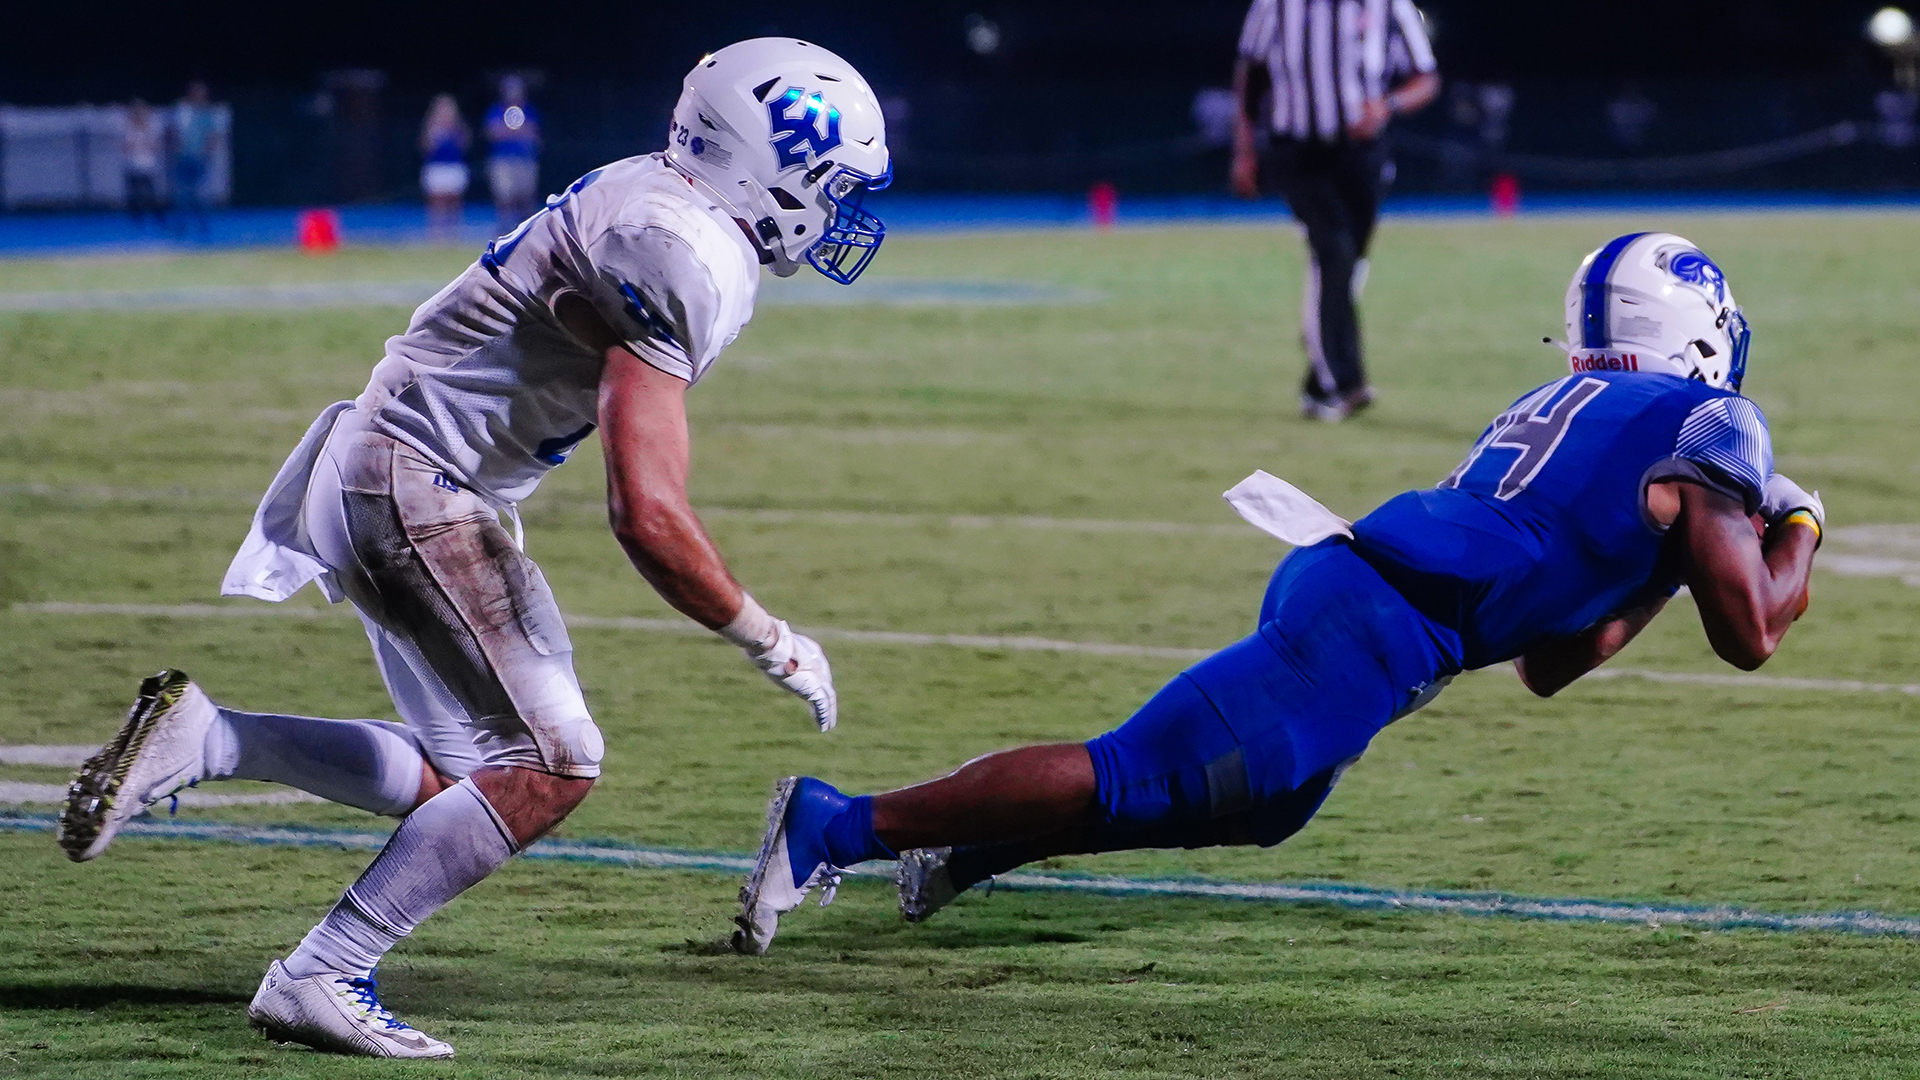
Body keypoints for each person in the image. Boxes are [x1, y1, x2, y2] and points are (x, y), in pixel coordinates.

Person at [56, 38, 892, 1058]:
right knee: (557, 761)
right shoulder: (686, 252)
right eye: (836, 180)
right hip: (415, 486)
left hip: (382, 465)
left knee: (471, 780)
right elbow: (647, 515)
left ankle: (216, 738)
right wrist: (770, 637)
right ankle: (321, 972)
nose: (842, 206)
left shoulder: (659, 196)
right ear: (779, 162)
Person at [733, 232, 1825, 954]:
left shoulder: (1574, 401)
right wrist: (1802, 525)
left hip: (1366, 595)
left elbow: (1553, 658)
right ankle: (839, 825)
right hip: (1375, 622)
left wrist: (1670, 571)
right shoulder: (1712, 422)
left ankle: (974, 843)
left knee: (1268, 809)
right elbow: (1756, 635)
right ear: (1698, 329)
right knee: (1133, 770)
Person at [1230, 0, 1441, 422]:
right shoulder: (1275, 7)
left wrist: (1387, 107)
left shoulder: (1388, 7)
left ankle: (1318, 369)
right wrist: (1245, 149)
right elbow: (1251, 78)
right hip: (1299, 151)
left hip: (1362, 153)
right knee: (1334, 252)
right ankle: (1344, 383)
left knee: (1348, 265)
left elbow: (1425, 79)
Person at [485, 75, 542, 228]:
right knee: (504, 197)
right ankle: (504, 230)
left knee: (526, 197)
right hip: (502, 160)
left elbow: (534, 135)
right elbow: (493, 133)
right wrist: (517, 132)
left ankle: (528, 230)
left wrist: (510, 132)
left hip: (525, 159)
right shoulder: (496, 110)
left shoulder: (530, 110)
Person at [170, 80, 222, 239]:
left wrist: (207, 154)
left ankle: (203, 226)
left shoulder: (207, 113)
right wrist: (175, 151)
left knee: (201, 194)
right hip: (183, 158)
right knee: (181, 195)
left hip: (199, 159)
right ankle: (181, 227)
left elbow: (212, 136)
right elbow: (173, 131)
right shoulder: (181, 110)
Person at [420, 93, 471, 234]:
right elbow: (424, 146)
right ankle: (436, 232)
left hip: (454, 165)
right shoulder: (431, 125)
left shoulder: (458, 126)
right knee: (437, 202)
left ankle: (454, 231)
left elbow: (465, 143)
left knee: (454, 201)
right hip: (437, 166)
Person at [123, 99, 165, 229]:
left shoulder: (152, 128)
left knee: (151, 193)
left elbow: (154, 146)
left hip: (148, 165)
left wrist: (143, 142)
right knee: (134, 194)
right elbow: (126, 147)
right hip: (132, 165)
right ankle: (137, 220)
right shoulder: (128, 129)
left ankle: (159, 218)